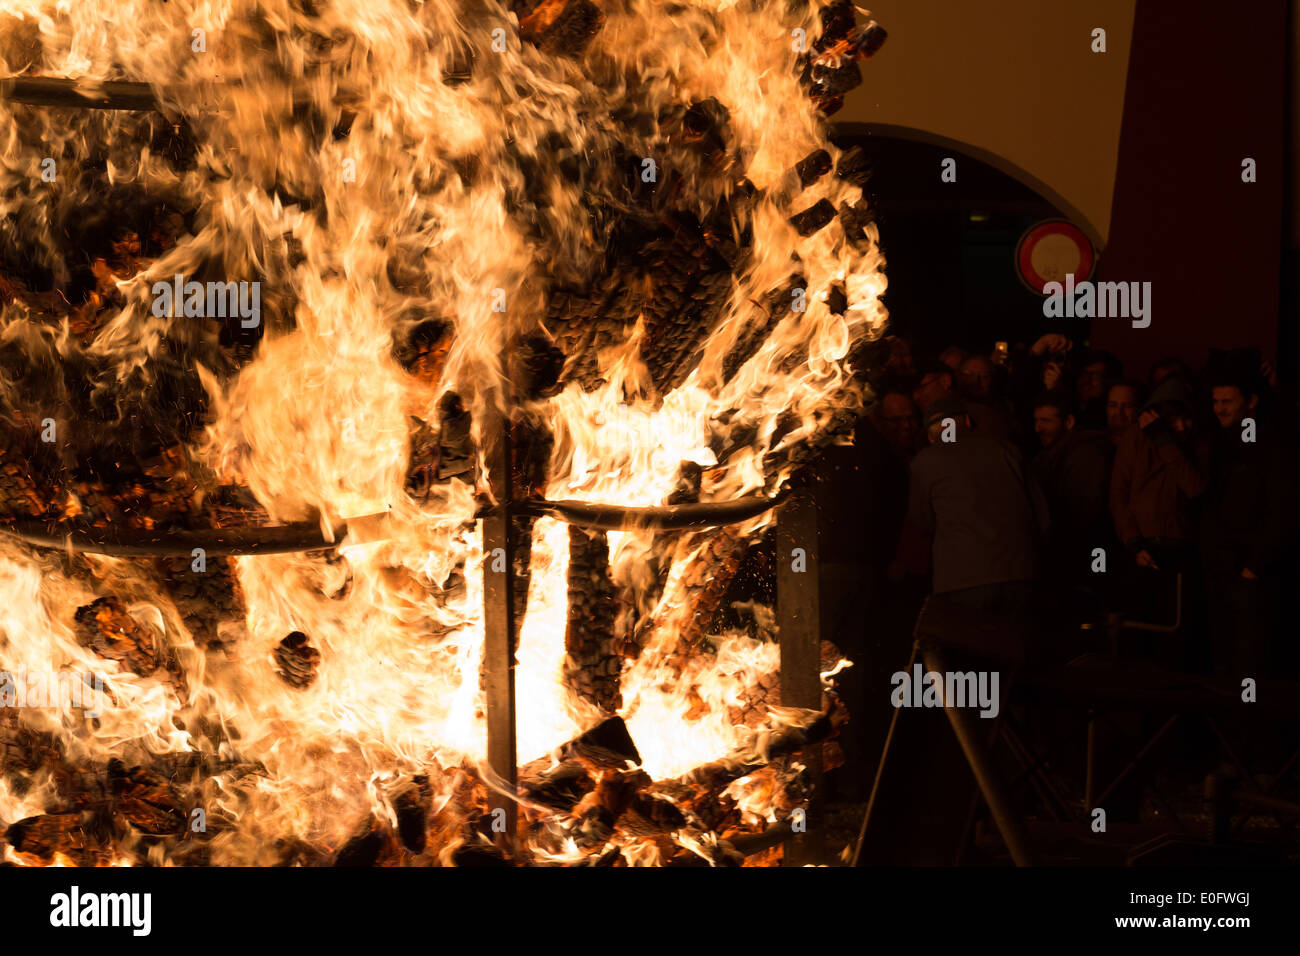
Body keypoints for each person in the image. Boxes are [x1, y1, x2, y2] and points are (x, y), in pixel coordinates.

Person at [907, 396, 1048, 624]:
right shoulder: (1007, 450)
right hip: (1021, 573)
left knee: (972, 652)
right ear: (968, 422)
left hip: (963, 579)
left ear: (931, 436)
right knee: (1017, 650)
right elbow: (1042, 516)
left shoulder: (925, 462)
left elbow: (922, 521)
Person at [1199, 367, 1298, 678]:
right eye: (1216, 401)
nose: (1219, 408)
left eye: (1227, 401)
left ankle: (1245, 723)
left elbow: (1283, 509)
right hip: (1227, 567)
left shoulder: (1270, 444)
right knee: (1227, 662)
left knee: (1247, 663)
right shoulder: (1227, 442)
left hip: (1249, 572)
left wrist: (1255, 565)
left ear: (1251, 401)